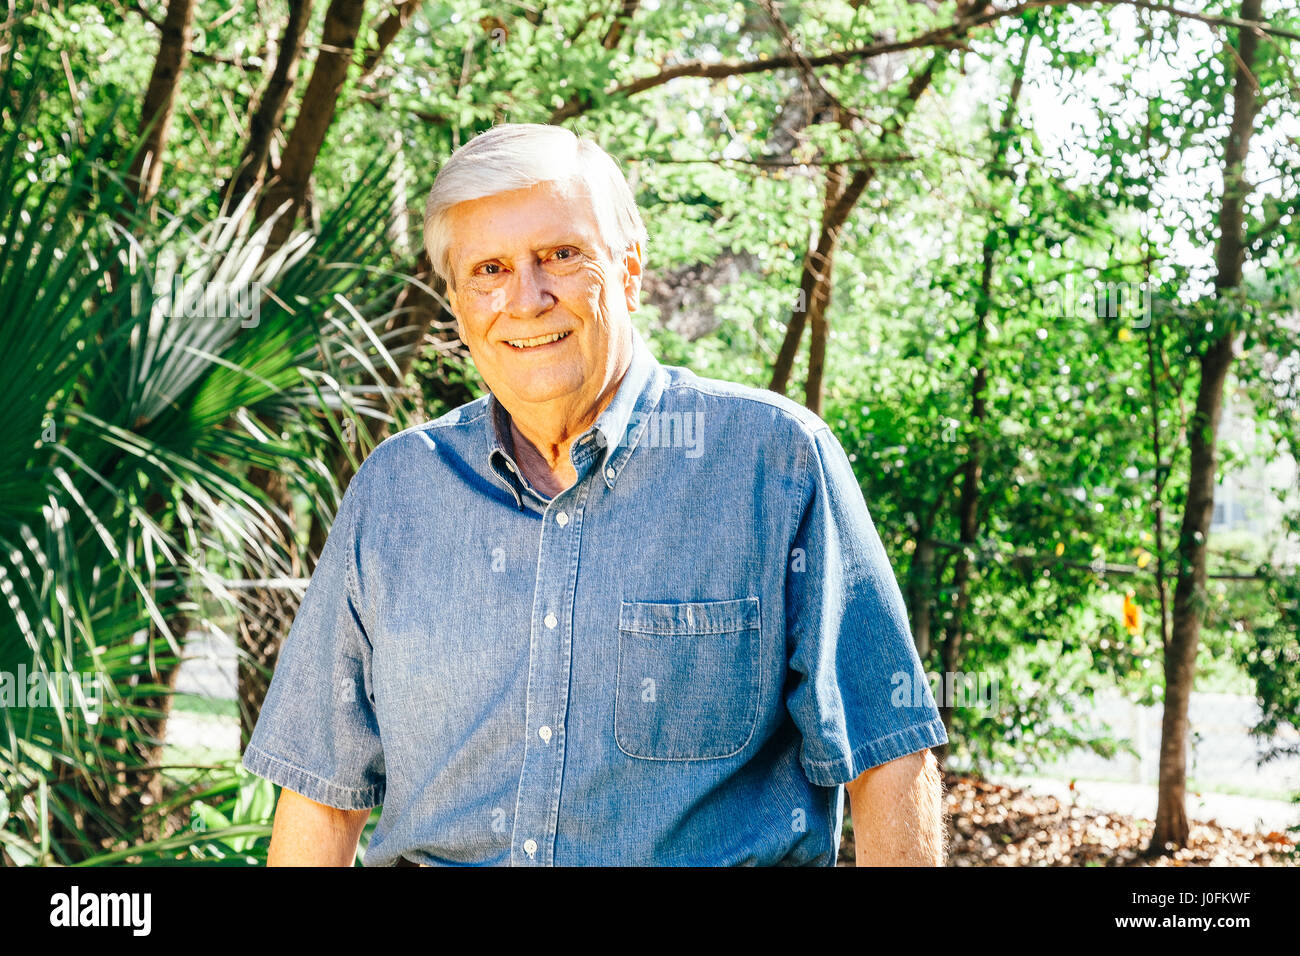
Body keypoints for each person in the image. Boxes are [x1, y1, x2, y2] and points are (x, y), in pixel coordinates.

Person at [243, 122, 948, 866]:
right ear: (457, 303)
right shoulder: (396, 490)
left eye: (561, 255)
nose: (526, 297)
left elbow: (886, 754)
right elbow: (321, 792)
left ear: (630, 273)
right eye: (489, 269)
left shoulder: (774, 463)